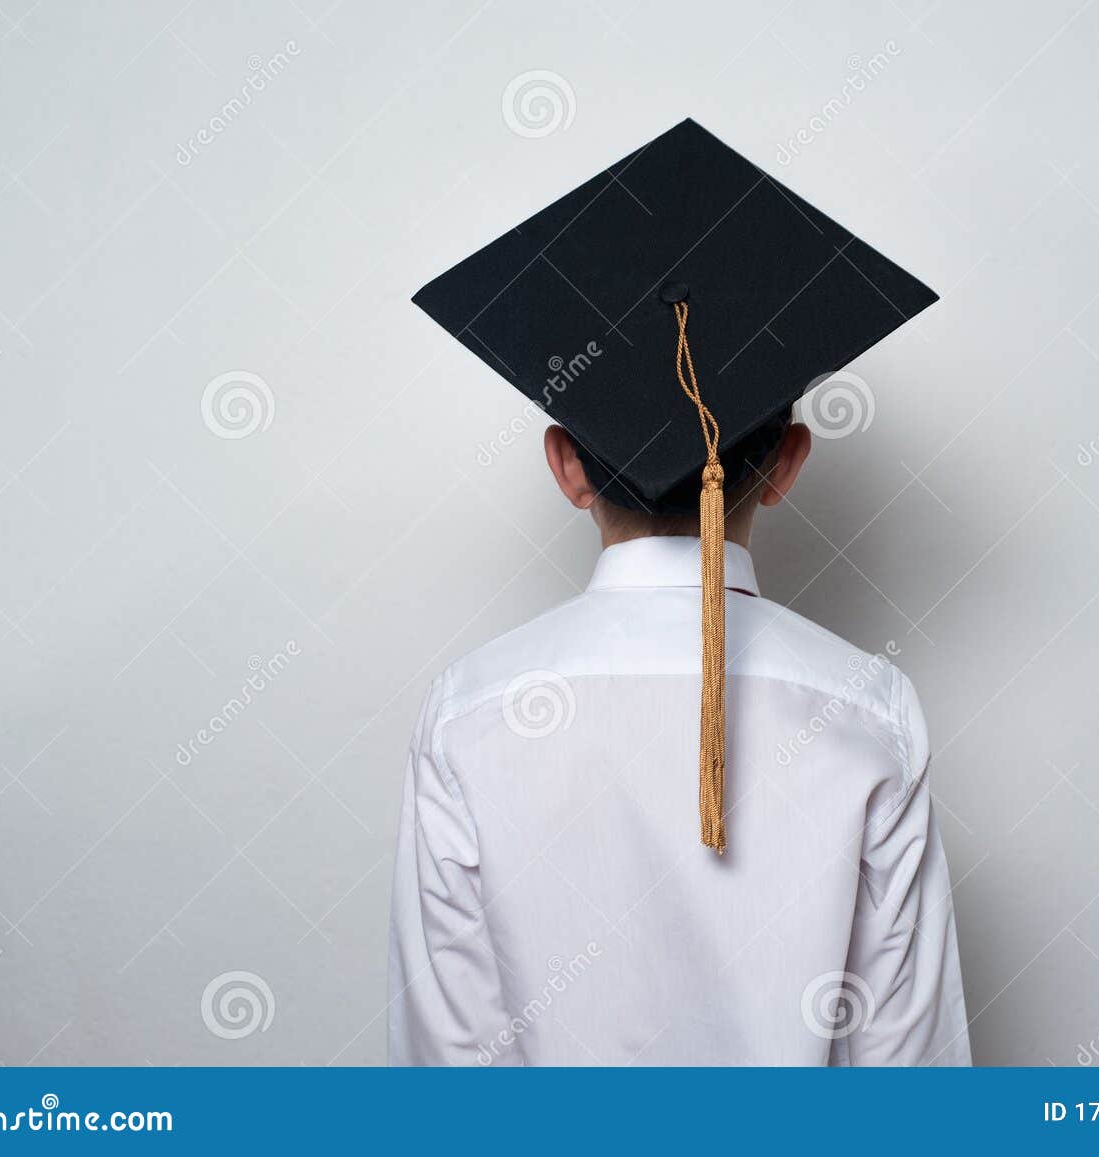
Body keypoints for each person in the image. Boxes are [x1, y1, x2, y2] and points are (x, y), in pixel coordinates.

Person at [388, 118, 969, 1065]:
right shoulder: (871, 710)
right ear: (787, 463)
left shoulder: (469, 713)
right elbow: (908, 1076)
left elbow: (450, 1069)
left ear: (565, 465)